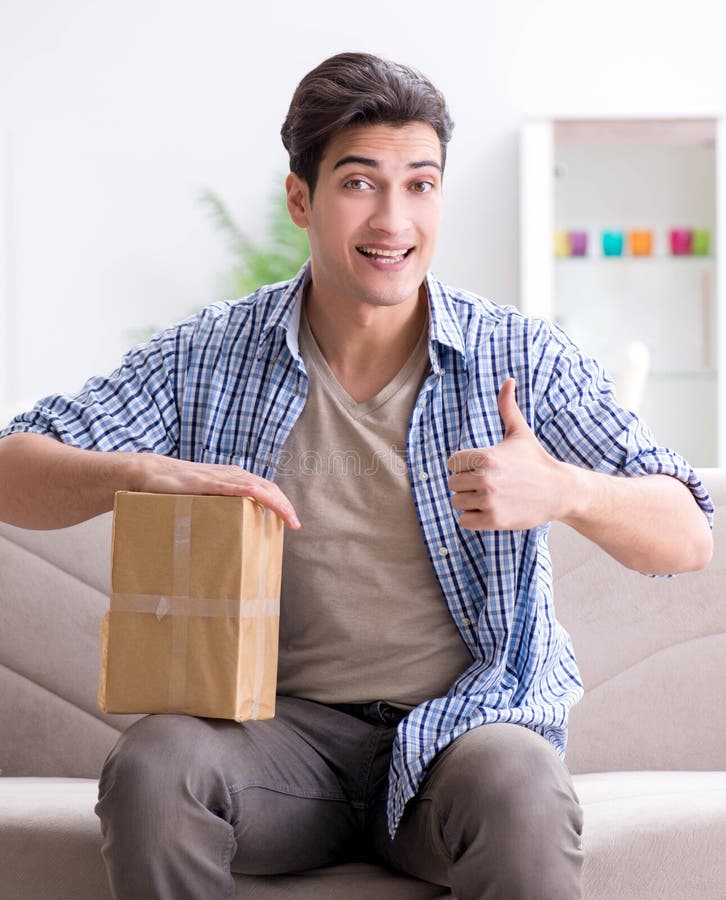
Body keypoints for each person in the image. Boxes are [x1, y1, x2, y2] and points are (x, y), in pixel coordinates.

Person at [0, 52, 713, 900]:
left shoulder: (518, 356)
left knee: (522, 786)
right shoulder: (211, 353)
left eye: (420, 184)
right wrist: (147, 475)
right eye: (359, 183)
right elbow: (13, 470)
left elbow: (689, 534)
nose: (393, 219)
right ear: (301, 198)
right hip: (272, 740)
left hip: (462, 734)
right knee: (156, 768)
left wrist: (567, 490)